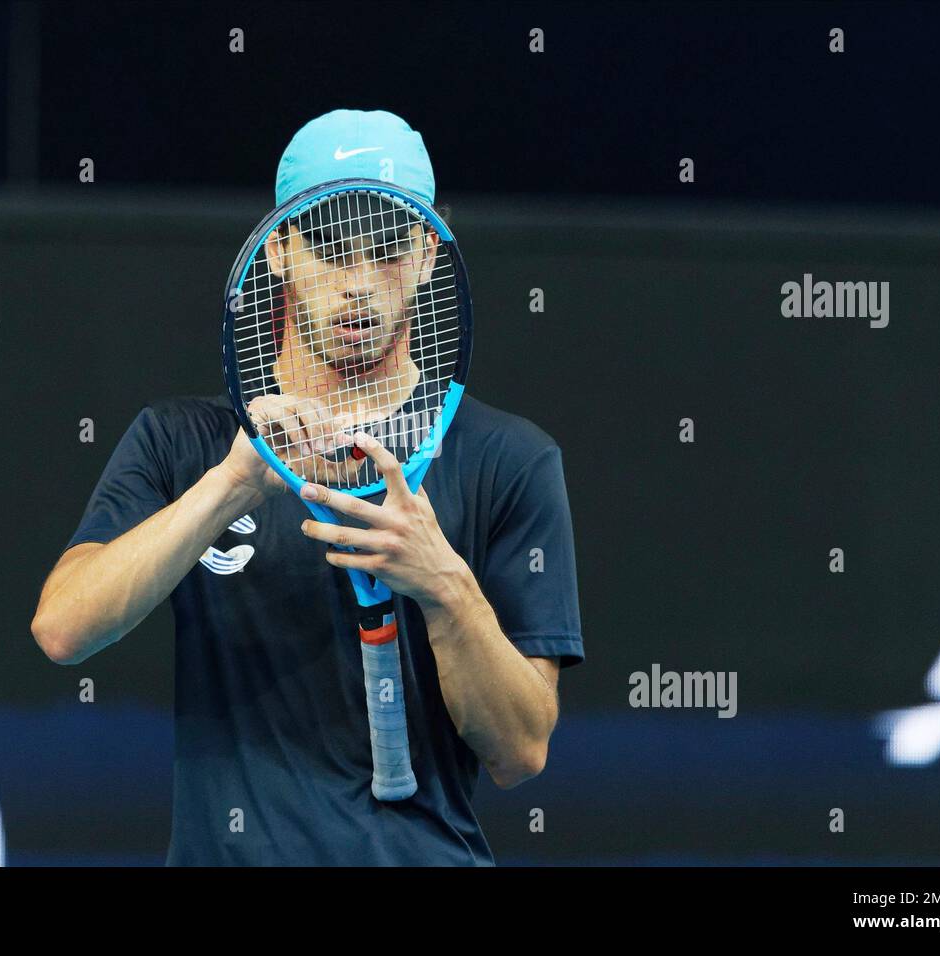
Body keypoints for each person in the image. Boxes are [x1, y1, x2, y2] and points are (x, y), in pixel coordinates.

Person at [31, 109, 583, 865]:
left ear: (427, 255)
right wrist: (231, 484)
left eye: (387, 249)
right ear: (282, 251)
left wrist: (444, 585)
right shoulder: (180, 442)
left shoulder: (510, 460)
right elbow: (64, 628)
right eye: (328, 247)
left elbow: (522, 750)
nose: (358, 287)